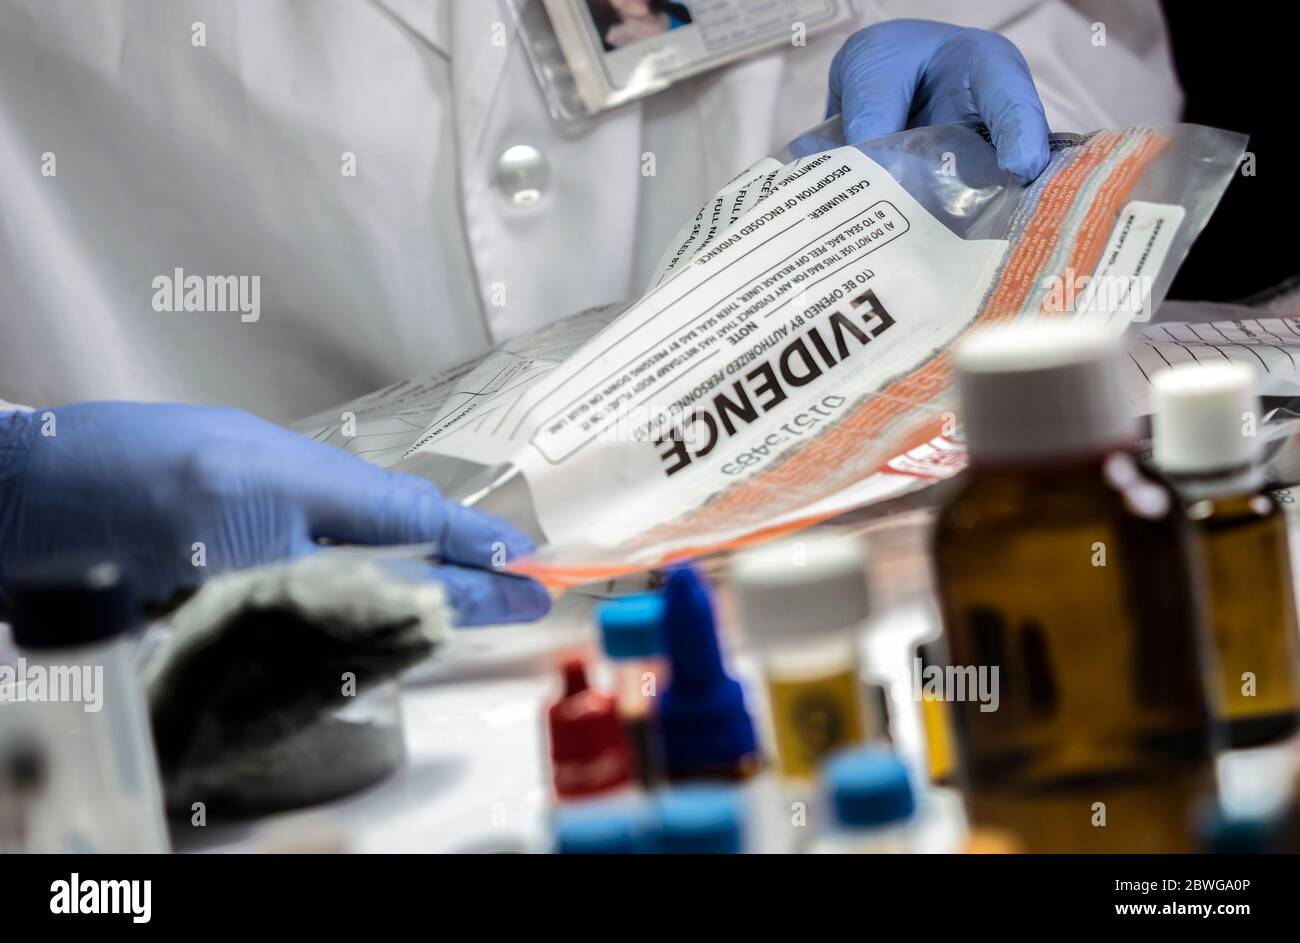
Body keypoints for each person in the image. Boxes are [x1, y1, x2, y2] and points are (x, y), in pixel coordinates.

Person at [0, 2, 1182, 623]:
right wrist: (13, 486)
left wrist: (1010, 156)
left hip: (862, 604)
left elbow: (1061, 58)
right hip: (195, 718)